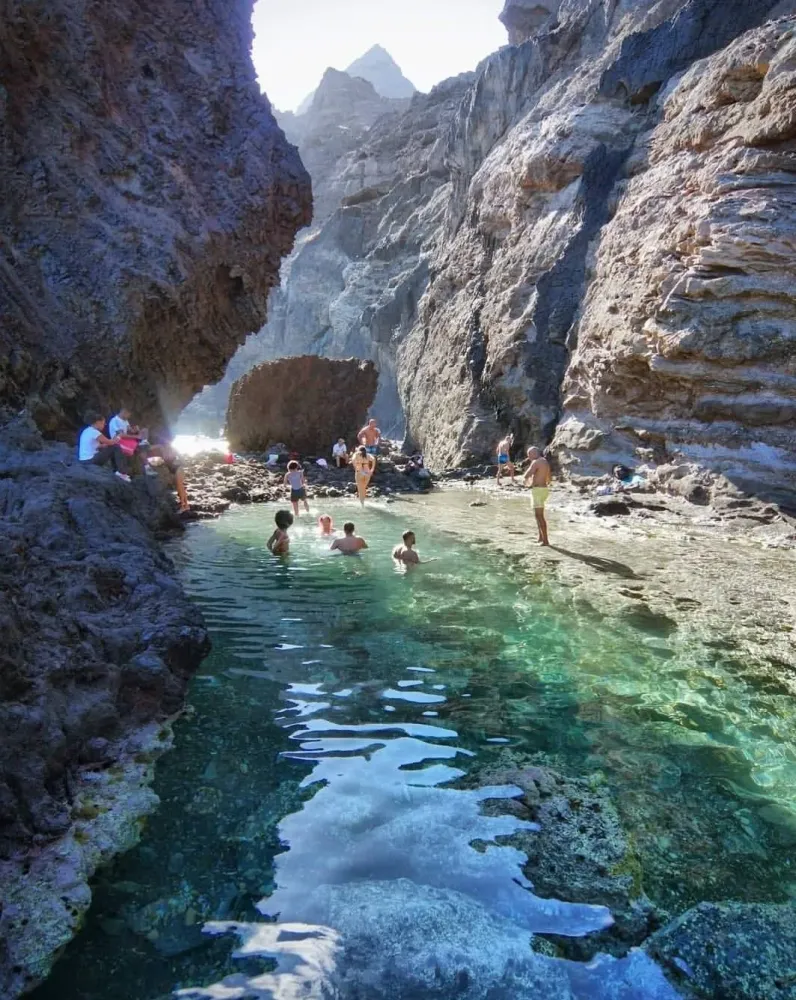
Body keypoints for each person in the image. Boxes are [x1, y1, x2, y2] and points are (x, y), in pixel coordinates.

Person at [78, 415, 131, 481]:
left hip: (83, 460)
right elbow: (111, 442)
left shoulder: (87, 430)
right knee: (116, 447)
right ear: (98, 422)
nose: (104, 425)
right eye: (103, 423)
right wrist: (119, 436)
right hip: (90, 460)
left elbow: (97, 446)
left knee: (112, 448)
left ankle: (117, 471)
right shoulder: (95, 432)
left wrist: (107, 444)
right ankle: (122, 472)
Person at [523, 446, 552, 546]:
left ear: (534, 453)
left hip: (538, 491)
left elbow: (527, 474)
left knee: (539, 516)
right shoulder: (545, 461)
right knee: (537, 515)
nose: (528, 457)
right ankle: (540, 537)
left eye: (529, 454)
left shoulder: (536, 462)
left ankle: (545, 541)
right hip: (544, 490)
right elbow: (549, 478)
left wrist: (528, 481)